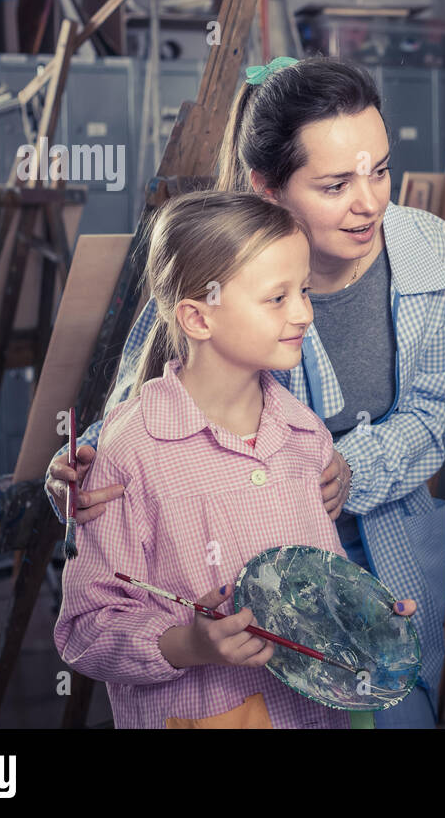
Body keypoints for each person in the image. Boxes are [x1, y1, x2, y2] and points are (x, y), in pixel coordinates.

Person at [47, 57, 445, 727]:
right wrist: (82, 473)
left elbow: (441, 411)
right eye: (336, 184)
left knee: (385, 706)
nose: (371, 202)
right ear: (268, 187)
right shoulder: (213, 263)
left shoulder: (440, 258)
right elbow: (132, 419)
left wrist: (352, 470)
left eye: (380, 169)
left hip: (375, 544)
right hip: (217, 582)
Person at [55, 190, 358, 727]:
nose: (304, 313)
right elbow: (84, 628)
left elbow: (323, 591)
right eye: (277, 298)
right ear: (197, 318)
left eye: (305, 291)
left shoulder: (305, 433)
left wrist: (368, 619)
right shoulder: (130, 450)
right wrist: (185, 645)